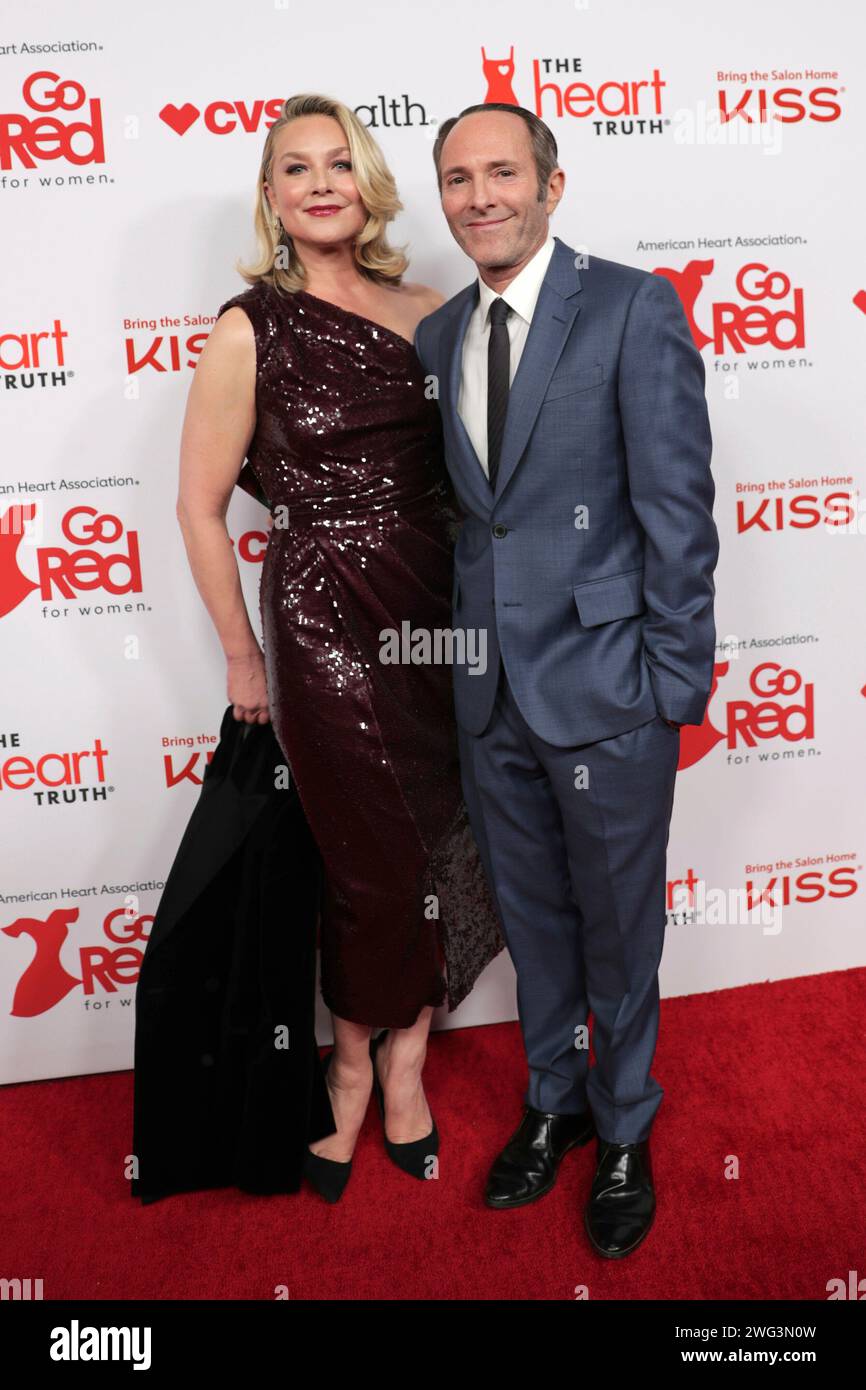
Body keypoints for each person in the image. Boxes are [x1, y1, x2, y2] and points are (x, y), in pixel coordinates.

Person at [176, 93, 504, 1202]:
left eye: (338, 163)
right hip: (322, 615)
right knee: (367, 862)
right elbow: (199, 506)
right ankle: (354, 1065)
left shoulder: (433, 309)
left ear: (366, 183)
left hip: (438, 607)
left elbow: (481, 480)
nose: (319, 182)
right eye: (293, 168)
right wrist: (241, 657)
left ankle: (406, 1059)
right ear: (269, 197)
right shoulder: (248, 326)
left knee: (441, 836)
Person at [414, 103, 719, 1257]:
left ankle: (627, 1125)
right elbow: (468, 519)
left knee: (616, 927)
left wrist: (668, 687)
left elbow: (677, 516)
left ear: (551, 183)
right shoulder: (441, 336)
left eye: (501, 171)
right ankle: (557, 1098)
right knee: (532, 920)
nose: (478, 195)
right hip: (486, 690)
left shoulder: (632, 307)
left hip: (609, 690)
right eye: (456, 178)